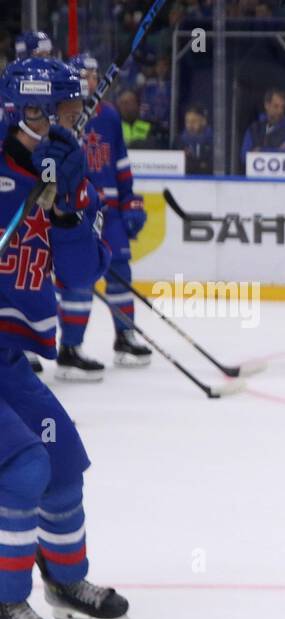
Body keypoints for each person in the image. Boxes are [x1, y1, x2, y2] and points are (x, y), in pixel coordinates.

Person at [0, 58, 133, 619]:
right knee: (24, 467)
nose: (52, 126)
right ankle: (6, 600)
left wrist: (67, 213)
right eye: (37, 114)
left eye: (64, 112)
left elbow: (83, 275)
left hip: (9, 360)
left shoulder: (72, 178)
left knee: (62, 465)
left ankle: (64, 580)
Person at [53, 53, 152, 382]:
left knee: (120, 271)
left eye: (96, 75)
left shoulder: (109, 116)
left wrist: (130, 201)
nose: (92, 81)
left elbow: (120, 164)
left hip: (109, 214)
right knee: (79, 278)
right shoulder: (62, 116)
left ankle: (125, 337)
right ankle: (70, 349)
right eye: (86, 75)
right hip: (79, 211)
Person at [240, 87, 285, 169]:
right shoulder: (254, 129)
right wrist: (278, 151)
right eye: (276, 106)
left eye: (282, 107)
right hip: (256, 180)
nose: (280, 111)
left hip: (281, 180)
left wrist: (259, 151)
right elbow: (244, 157)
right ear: (267, 105)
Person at [180, 104, 214, 173]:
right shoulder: (179, 142)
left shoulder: (214, 141)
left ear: (203, 121)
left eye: (194, 121)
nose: (190, 125)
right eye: (187, 121)